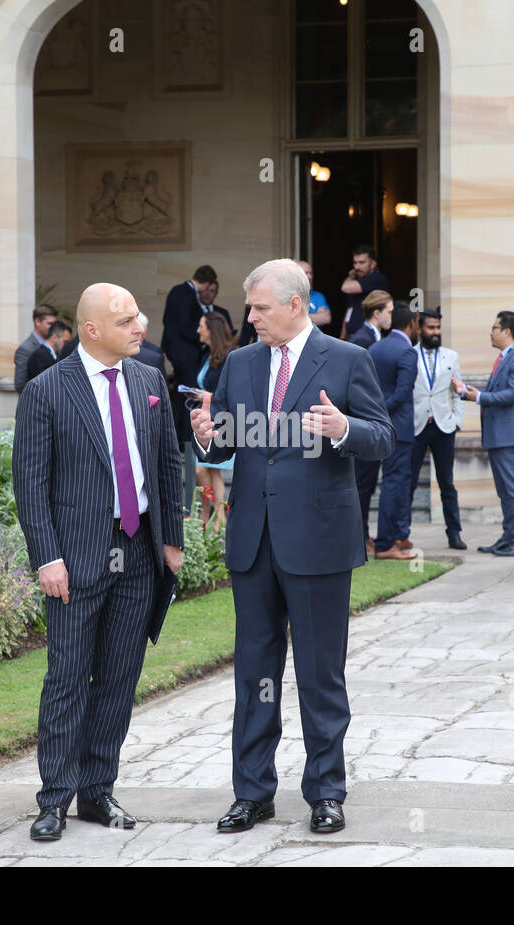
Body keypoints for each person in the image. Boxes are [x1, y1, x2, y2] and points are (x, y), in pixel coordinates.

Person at [190, 258, 394, 835]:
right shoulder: (243, 363)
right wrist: (209, 435)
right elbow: (229, 438)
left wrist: (343, 430)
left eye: (259, 307)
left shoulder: (348, 359)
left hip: (320, 542)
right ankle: (252, 793)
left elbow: (383, 437)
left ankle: (327, 793)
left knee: (319, 673)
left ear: (295, 305)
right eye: (250, 306)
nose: (249, 317)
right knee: (254, 671)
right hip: (253, 540)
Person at [13, 282, 184, 843]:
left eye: (138, 317)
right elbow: (31, 487)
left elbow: (166, 464)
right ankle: (54, 800)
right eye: (127, 320)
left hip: (137, 554)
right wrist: (48, 559)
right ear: (91, 331)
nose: (140, 328)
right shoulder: (46, 392)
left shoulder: (148, 380)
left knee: (117, 677)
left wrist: (172, 541)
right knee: (67, 678)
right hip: (76, 559)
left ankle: (97, 791)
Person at [457, 311, 514, 557]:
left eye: (495, 327)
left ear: (507, 331)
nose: (491, 331)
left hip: (507, 435)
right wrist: (468, 392)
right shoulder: (506, 358)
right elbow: (500, 391)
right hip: (498, 434)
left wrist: (478, 397)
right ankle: (510, 537)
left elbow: (513, 394)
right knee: (505, 491)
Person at [409, 308, 466, 549]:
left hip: (444, 425)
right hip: (416, 425)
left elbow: (459, 391)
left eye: (438, 328)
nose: (435, 332)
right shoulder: (409, 354)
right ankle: (402, 533)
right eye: (431, 327)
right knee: (408, 482)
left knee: (447, 483)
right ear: (420, 328)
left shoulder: (450, 356)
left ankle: (454, 533)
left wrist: (458, 420)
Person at [369, 301, 418, 559]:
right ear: (412, 323)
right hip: (397, 427)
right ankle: (386, 543)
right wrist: (381, 412)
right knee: (394, 483)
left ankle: (398, 534)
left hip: (379, 426)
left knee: (395, 481)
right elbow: (402, 393)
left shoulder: (375, 347)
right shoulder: (407, 351)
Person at [352, 290, 393, 552]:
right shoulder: (362, 340)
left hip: (370, 424)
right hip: (361, 423)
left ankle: (363, 534)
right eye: (389, 311)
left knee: (366, 485)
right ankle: (359, 536)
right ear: (376, 313)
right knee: (361, 485)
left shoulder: (375, 338)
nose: (392, 316)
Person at [162, 264, 217, 444]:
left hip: (174, 351)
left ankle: (180, 440)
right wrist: (202, 339)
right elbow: (186, 327)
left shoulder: (177, 290)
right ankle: (187, 441)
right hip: (185, 354)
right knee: (190, 399)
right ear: (207, 283)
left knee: (180, 397)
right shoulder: (188, 295)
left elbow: (167, 321)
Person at [194, 312, 235, 528]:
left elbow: (228, 391)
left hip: (220, 420)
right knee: (212, 471)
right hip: (205, 417)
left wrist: (206, 396)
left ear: (212, 329)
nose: (198, 330)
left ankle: (211, 513)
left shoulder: (230, 357)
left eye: (201, 326)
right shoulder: (206, 356)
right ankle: (218, 518)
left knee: (203, 469)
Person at [341, 244, 389, 337]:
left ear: (373, 264)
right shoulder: (357, 281)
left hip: (370, 337)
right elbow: (350, 309)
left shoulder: (377, 278)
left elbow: (345, 287)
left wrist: (351, 275)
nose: (357, 267)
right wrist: (343, 336)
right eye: (355, 263)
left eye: (362, 263)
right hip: (353, 337)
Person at [15, 305, 58, 393]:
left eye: (55, 324)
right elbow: (20, 385)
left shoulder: (55, 345)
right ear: (37, 322)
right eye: (49, 324)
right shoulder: (25, 349)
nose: (53, 328)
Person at [298, 260, 332, 329]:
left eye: (311, 273)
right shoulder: (288, 296)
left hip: (315, 339)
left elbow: (326, 318)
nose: (310, 277)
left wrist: (298, 317)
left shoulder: (318, 296)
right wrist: (316, 316)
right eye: (306, 273)